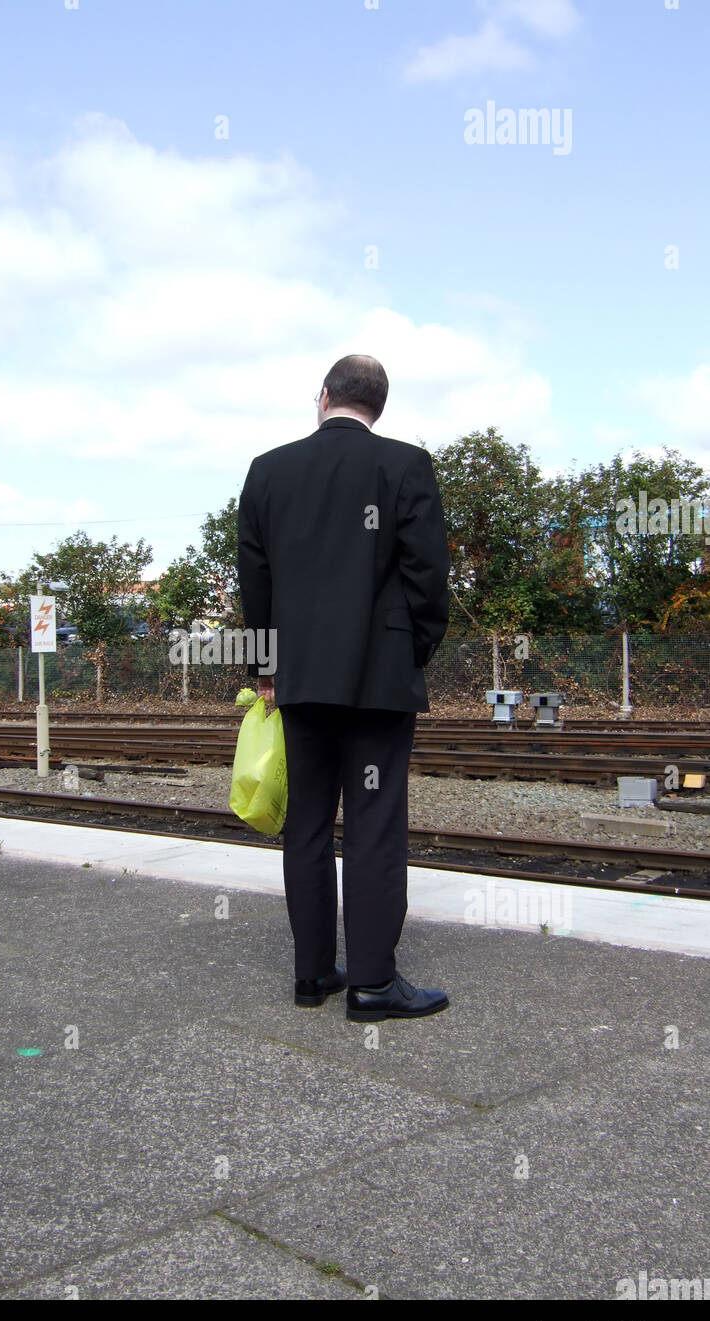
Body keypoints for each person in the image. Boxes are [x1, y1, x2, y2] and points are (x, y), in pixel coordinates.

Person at [237, 354, 451, 1021]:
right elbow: (427, 578)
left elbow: (257, 584)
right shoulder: (405, 465)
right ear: (377, 406)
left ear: (323, 396)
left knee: (305, 824)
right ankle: (372, 984)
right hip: (377, 678)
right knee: (373, 826)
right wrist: (408, 650)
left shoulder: (269, 470)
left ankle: (311, 976)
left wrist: (266, 670)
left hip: (298, 680)